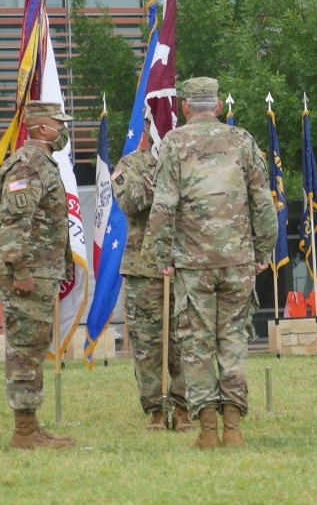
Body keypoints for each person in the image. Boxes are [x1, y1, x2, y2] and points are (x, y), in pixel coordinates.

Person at [143, 77, 278, 450]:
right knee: (233, 340)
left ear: (185, 107)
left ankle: (206, 432)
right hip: (238, 260)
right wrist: (262, 252)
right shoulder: (243, 141)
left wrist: (162, 256)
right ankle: (233, 429)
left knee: (198, 345)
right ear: (218, 107)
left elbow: (164, 204)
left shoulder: (174, 143)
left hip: (193, 263)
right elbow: (263, 203)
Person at [0, 101, 78, 450]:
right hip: (26, 273)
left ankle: (31, 426)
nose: (63, 129)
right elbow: (14, 222)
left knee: (34, 347)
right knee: (25, 349)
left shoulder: (42, 163)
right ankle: (24, 432)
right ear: (40, 128)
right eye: (58, 123)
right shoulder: (28, 165)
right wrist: (21, 269)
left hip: (39, 270)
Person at [113, 118, 190, 432]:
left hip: (185, 265)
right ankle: (156, 411)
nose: (160, 126)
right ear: (145, 127)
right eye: (154, 122)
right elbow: (130, 203)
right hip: (144, 269)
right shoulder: (128, 165)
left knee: (184, 342)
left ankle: (184, 408)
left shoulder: (188, 160)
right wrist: (162, 174)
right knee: (147, 345)